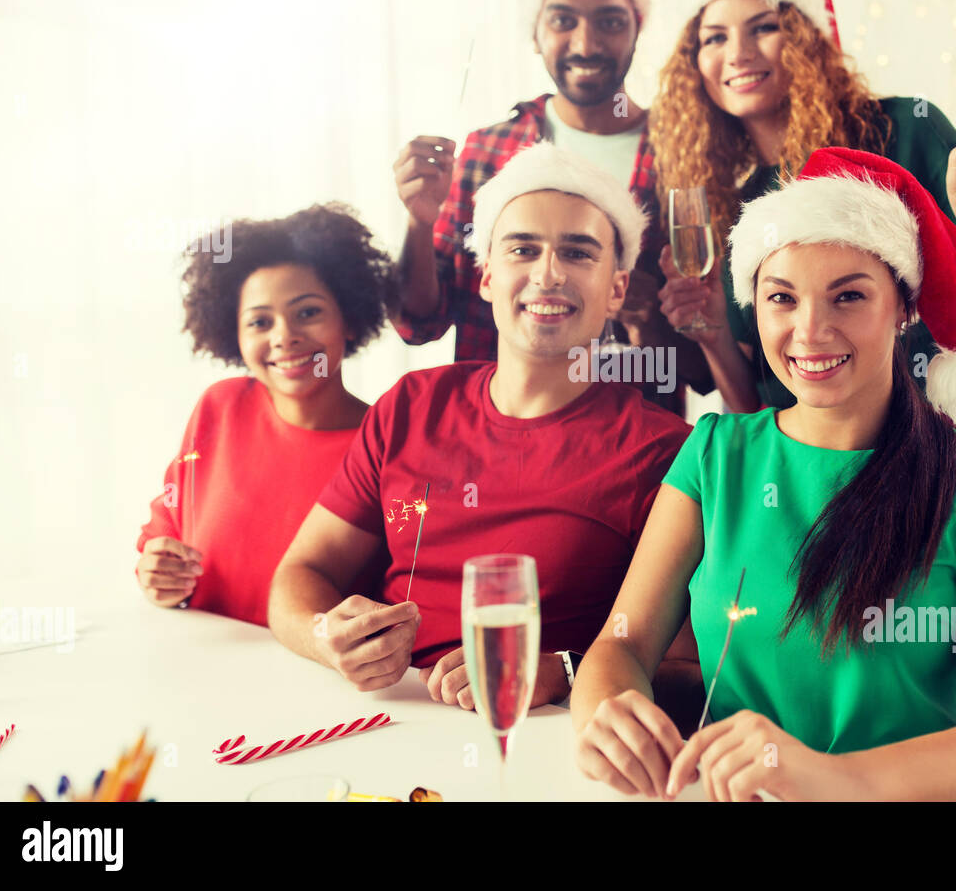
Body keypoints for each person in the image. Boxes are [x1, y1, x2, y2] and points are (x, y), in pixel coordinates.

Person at [571, 148, 956, 801]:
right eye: (781, 298)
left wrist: (829, 779)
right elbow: (621, 647)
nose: (810, 329)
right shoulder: (715, 452)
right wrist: (606, 713)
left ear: (903, 308)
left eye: (848, 296)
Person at [269, 144, 691, 709]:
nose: (547, 274)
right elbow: (301, 573)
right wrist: (327, 638)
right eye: (523, 249)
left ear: (615, 289)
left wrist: (565, 671)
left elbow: (692, 662)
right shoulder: (410, 406)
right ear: (488, 275)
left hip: (541, 739)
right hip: (384, 720)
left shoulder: (663, 450)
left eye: (578, 253)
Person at [649, 0, 956, 435]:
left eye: (763, 27)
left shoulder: (907, 131)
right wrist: (712, 333)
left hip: (930, 458)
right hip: (803, 483)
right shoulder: (737, 204)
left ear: (807, 38)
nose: (738, 53)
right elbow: (756, 416)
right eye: (714, 37)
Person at [393, 0, 709, 413]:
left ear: (637, 28)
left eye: (610, 21)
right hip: (496, 432)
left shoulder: (685, 158)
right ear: (535, 33)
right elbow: (420, 324)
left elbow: (708, 367)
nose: (586, 43)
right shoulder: (486, 151)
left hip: (635, 447)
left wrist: (655, 324)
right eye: (563, 20)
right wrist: (418, 222)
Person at [135, 205, 394, 625]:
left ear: (348, 317)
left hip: (318, 682)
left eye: (307, 312)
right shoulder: (219, 408)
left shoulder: (384, 446)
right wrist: (158, 570)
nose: (284, 337)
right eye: (259, 321)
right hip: (201, 667)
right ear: (234, 334)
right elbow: (168, 523)